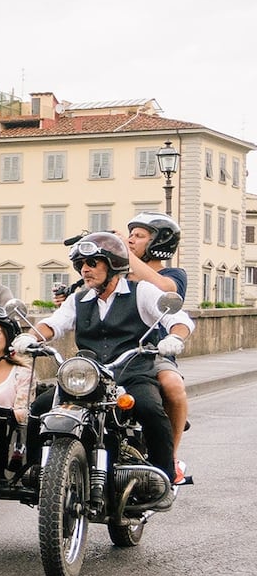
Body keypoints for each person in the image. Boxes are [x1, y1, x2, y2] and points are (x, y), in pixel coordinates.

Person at [20, 232, 192, 503]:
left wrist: (175, 337)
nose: (85, 269)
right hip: (89, 376)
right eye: (81, 264)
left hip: (132, 372)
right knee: (40, 408)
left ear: (112, 264)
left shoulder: (142, 291)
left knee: (150, 409)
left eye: (92, 262)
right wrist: (31, 336)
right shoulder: (79, 299)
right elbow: (54, 323)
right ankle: (32, 473)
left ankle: (164, 478)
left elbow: (178, 319)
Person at [125, 213, 191, 482]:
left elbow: (165, 289)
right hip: (120, 350)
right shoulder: (119, 273)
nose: (130, 240)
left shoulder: (173, 274)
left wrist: (124, 254)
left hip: (155, 351)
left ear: (157, 243)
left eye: (138, 236)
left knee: (172, 385)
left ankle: (170, 459)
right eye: (130, 234)